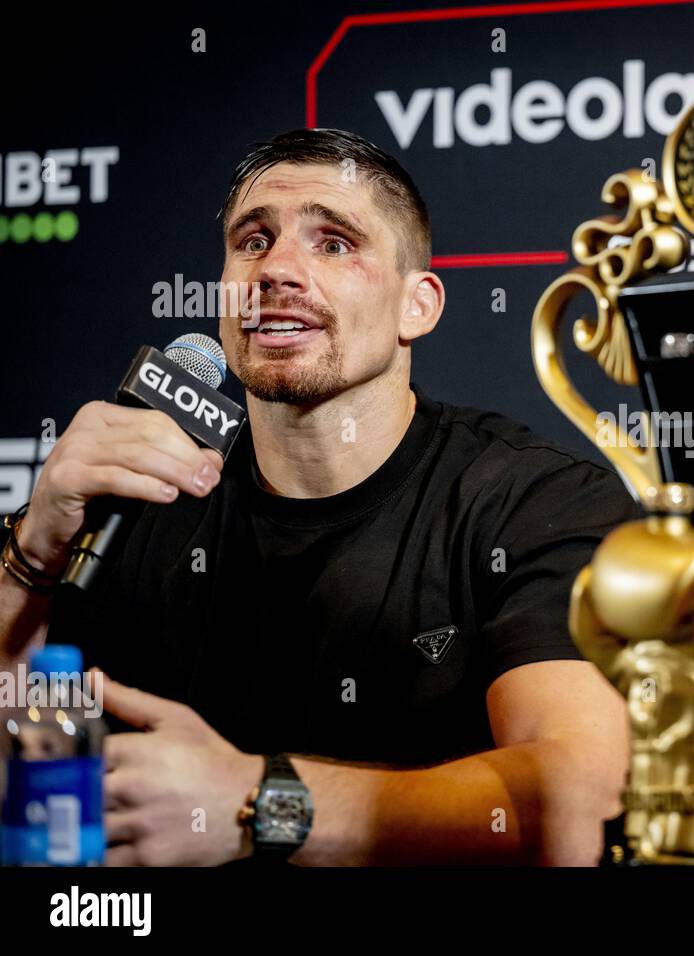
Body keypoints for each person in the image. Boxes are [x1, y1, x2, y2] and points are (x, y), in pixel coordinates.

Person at [0, 129, 641, 866]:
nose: (276, 269)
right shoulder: (134, 502)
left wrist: (258, 800)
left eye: (333, 243)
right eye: (253, 240)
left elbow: (582, 801)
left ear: (417, 306)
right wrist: (33, 552)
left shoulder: (535, 501)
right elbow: (23, 767)